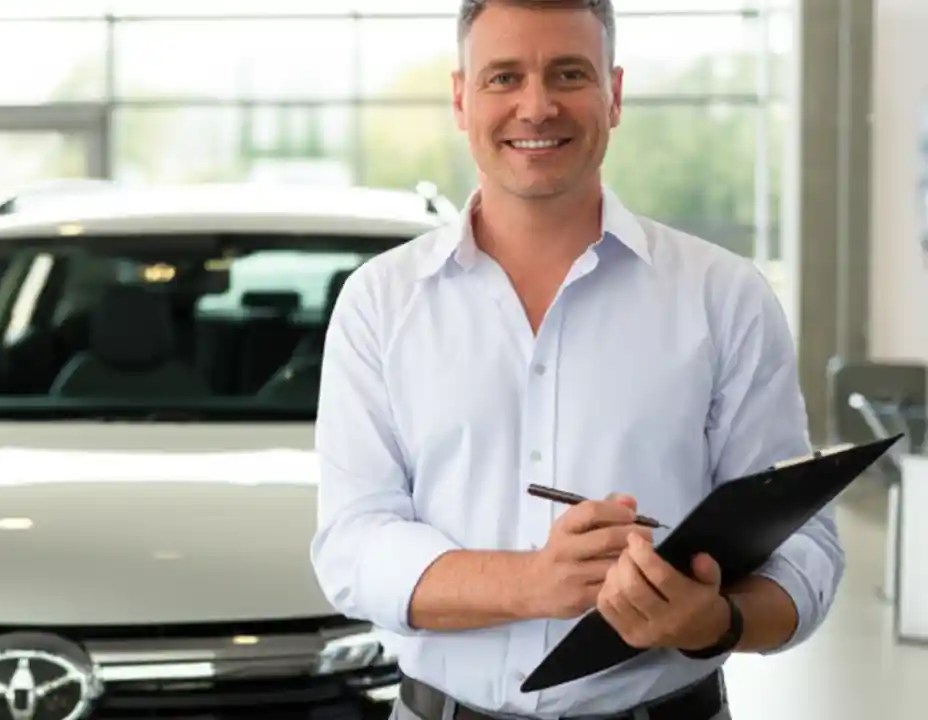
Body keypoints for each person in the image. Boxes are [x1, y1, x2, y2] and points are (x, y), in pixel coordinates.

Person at [310, 1, 842, 719]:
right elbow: (351, 545)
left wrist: (714, 621)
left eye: (569, 73)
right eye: (504, 77)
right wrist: (532, 582)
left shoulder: (725, 297)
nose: (537, 106)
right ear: (462, 98)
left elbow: (803, 547)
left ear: (613, 95)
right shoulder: (380, 302)